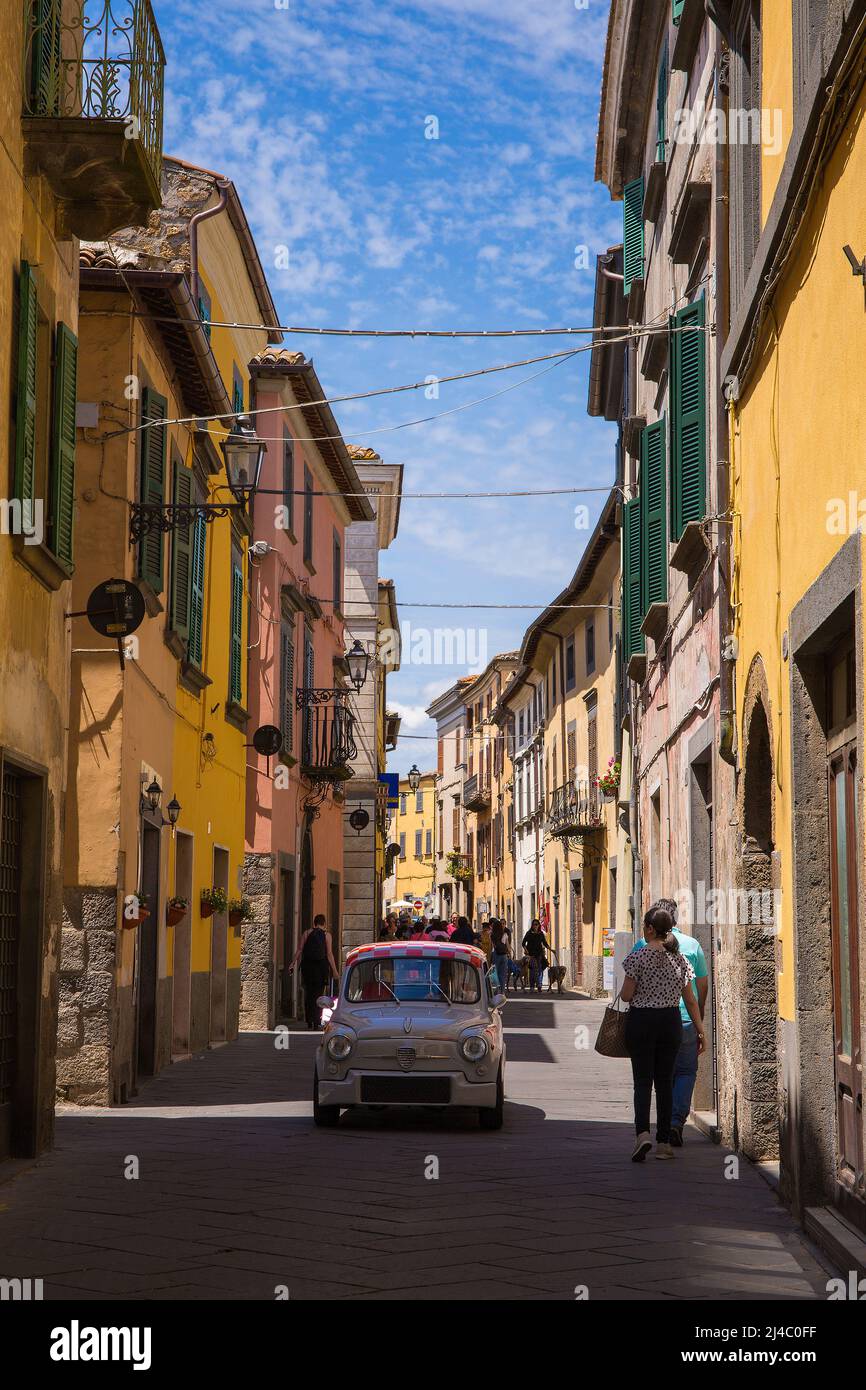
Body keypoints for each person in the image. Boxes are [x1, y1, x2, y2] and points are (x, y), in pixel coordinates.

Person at [620, 907, 706, 1161]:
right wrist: (701, 1031)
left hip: (642, 1022)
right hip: (670, 1022)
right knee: (665, 1083)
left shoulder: (638, 958)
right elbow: (690, 1000)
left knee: (642, 1082)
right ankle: (664, 1143)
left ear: (649, 928)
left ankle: (642, 1134)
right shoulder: (680, 959)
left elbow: (626, 995)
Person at [640, 897, 709, 1146]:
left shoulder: (642, 945)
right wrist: (699, 1020)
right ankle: (675, 1123)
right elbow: (701, 986)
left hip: (650, 1019)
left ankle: (656, 1127)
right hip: (685, 1019)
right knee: (686, 1070)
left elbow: (630, 986)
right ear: (674, 919)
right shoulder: (692, 945)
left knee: (659, 1074)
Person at [291, 912, 339, 1030]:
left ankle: (309, 1020)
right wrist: (334, 970)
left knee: (309, 993)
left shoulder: (306, 933)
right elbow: (329, 954)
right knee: (318, 994)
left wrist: (292, 963)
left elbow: (299, 950)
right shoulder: (327, 935)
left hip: (307, 967)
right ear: (324, 923)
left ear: (314, 923)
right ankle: (317, 1020)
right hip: (321, 968)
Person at [522, 918, 550, 992]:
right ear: (532, 925)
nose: (535, 926)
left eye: (537, 925)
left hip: (539, 954)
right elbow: (523, 943)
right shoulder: (529, 933)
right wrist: (526, 950)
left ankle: (539, 985)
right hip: (531, 954)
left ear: (539, 925)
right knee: (532, 970)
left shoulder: (540, 933)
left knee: (540, 969)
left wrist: (551, 949)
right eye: (534, 925)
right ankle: (532, 986)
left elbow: (544, 943)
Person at [490, 919, 512, 994]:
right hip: (504, 955)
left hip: (496, 954)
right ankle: (502, 991)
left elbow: (492, 946)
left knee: (495, 973)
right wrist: (509, 954)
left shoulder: (492, 935)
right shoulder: (505, 934)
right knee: (503, 974)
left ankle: (497, 990)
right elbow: (508, 947)